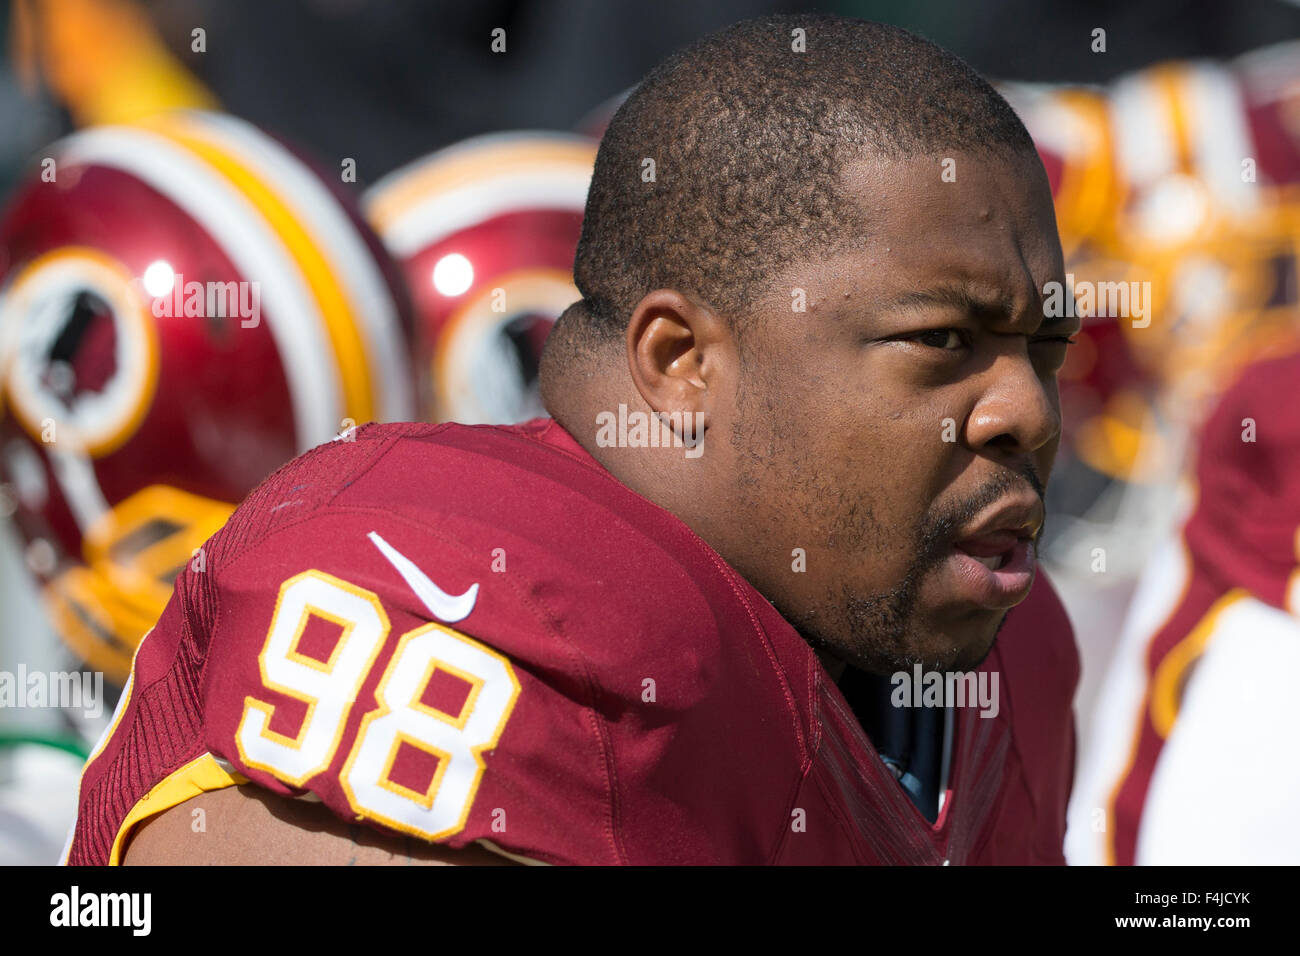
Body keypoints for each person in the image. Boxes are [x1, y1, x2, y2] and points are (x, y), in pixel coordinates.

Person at [65, 14, 1080, 866]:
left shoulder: (1005, 650)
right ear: (682, 360)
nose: (1026, 411)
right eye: (942, 340)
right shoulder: (482, 619)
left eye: (1043, 347)